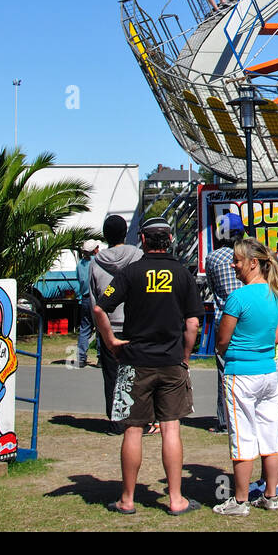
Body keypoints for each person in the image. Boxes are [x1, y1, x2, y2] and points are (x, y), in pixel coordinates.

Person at [94, 218, 203, 516]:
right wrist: (186, 354)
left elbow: (99, 308)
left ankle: (127, 499)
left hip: (136, 360)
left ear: (142, 239)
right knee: (171, 428)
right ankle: (176, 498)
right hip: (170, 360)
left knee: (132, 429)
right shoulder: (182, 273)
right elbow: (193, 322)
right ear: (169, 239)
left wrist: (112, 342)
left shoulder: (131, 272)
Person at [212, 237, 278, 516]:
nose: (233, 265)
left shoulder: (238, 297)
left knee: (242, 437)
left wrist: (228, 350)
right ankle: (270, 495)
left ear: (253, 263)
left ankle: (240, 501)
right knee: (270, 435)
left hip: (241, 373)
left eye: (237, 260)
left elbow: (222, 339)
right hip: (268, 370)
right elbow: (277, 336)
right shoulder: (274, 293)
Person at [89, 215, 144, 433]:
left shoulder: (96, 263)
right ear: (125, 232)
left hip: (108, 325)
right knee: (137, 373)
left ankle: (115, 421)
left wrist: (99, 328)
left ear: (105, 235)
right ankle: (137, 418)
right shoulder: (138, 255)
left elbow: (94, 299)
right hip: (134, 324)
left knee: (112, 375)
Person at [205, 211, 245, 433]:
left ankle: (224, 421)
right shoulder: (248, 254)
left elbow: (212, 288)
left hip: (223, 318)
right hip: (248, 318)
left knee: (224, 371)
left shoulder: (213, 258)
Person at [75, 240, 99, 368]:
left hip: (84, 298)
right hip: (95, 297)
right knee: (100, 327)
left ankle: (81, 357)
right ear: (95, 250)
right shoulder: (97, 262)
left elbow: (79, 279)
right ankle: (101, 357)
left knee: (85, 328)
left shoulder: (80, 264)